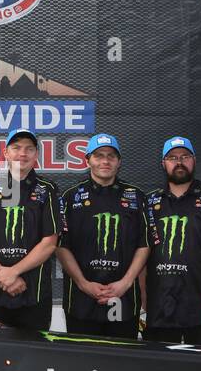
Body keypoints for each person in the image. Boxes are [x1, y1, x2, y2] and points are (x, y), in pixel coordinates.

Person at [141, 136, 201, 346]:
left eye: (185, 156)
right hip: (159, 310)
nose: (179, 161)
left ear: (194, 160)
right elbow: (141, 255)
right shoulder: (148, 203)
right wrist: (143, 298)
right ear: (163, 163)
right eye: (172, 157)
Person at [56, 133, 148, 338]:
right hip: (81, 299)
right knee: (82, 363)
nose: (105, 161)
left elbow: (145, 244)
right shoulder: (70, 197)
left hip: (122, 297)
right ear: (87, 160)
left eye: (111, 156)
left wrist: (125, 283)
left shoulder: (137, 196)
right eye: (98, 155)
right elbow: (61, 245)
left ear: (119, 162)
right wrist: (83, 283)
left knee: (121, 362)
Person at [0, 129, 59, 330]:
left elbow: (50, 242)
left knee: (35, 356)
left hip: (34, 294)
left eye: (29, 149)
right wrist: (2, 274)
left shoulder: (48, 190)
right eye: (16, 147)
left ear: (36, 155)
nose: (23, 153)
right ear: (6, 153)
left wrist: (14, 272)